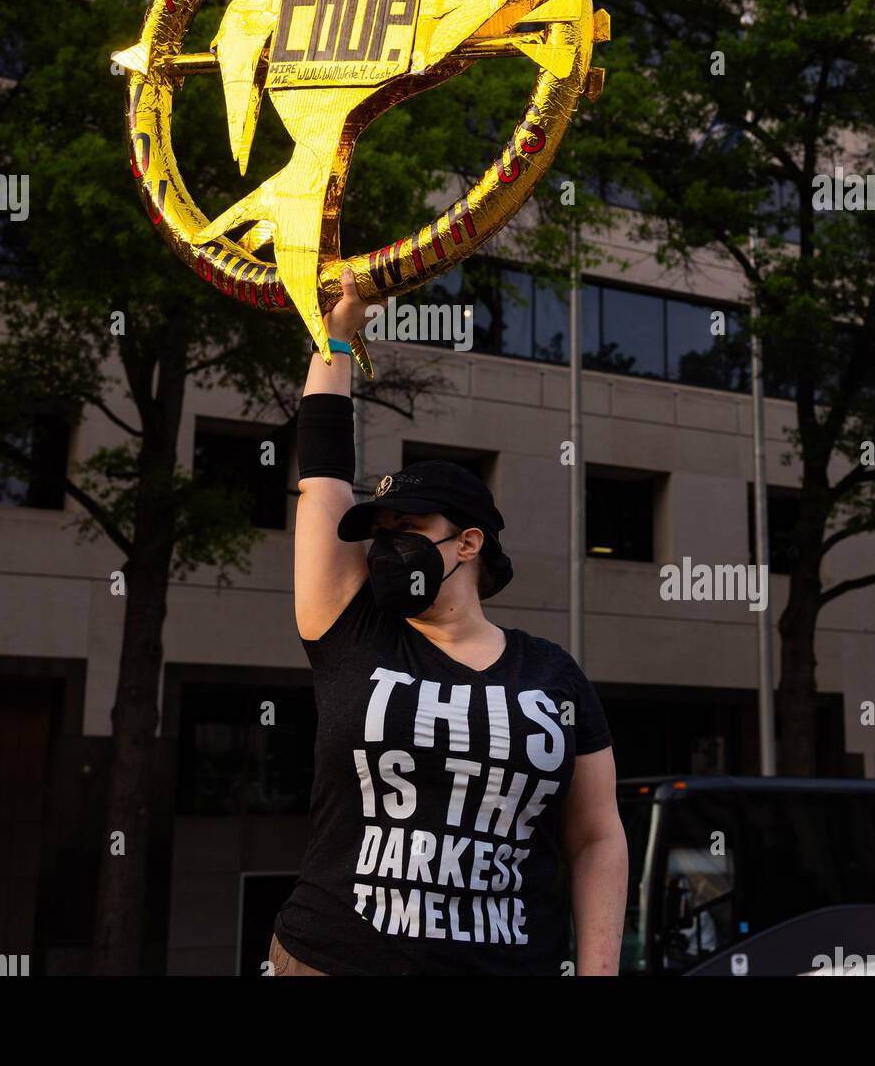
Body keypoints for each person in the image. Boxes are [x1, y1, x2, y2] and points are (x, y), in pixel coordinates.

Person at [268, 267, 628, 976]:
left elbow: (596, 839)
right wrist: (336, 339)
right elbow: (323, 478)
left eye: (410, 526)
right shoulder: (352, 629)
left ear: (467, 544)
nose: (388, 543)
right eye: (382, 528)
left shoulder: (553, 674)